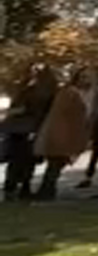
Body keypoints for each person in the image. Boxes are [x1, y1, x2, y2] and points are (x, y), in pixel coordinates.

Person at [33, 66, 95, 200]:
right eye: (83, 77)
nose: (87, 80)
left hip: (72, 135)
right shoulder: (69, 93)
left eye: (89, 77)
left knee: (56, 165)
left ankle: (47, 191)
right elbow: (60, 117)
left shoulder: (90, 94)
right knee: (55, 164)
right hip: (62, 135)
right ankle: (46, 192)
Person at [2, 61, 57, 201]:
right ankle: (23, 188)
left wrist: (8, 114)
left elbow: (20, 108)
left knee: (16, 159)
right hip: (34, 128)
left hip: (22, 128)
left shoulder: (29, 89)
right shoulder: (51, 90)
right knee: (28, 160)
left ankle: (12, 187)